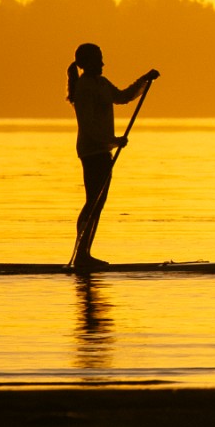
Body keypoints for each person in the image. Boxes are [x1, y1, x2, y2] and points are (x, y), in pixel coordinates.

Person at [67, 43, 157, 268]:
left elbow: (124, 97)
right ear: (87, 63)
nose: (103, 63)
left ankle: (84, 254)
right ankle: (80, 256)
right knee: (93, 202)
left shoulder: (101, 83)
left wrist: (145, 80)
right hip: (91, 151)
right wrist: (113, 141)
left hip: (103, 150)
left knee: (98, 202)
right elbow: (88, 126)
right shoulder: (84, 88)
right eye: (98, 60)